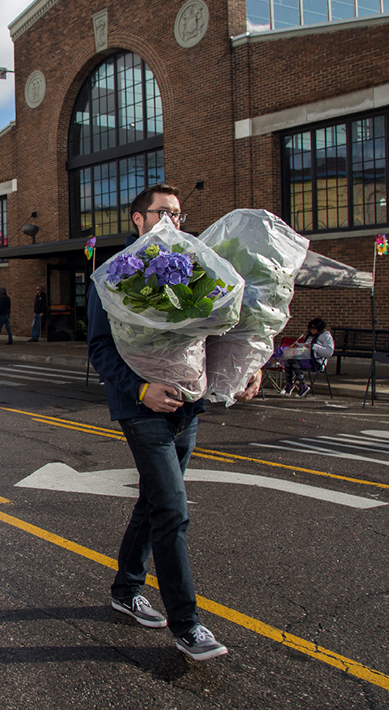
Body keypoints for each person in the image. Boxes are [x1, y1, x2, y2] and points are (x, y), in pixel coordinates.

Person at [87, 183, 261, 662]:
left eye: (180, 215)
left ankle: (125, 588)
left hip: (188, 405)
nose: (174, 221)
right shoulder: (113, 277)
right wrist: (143, 388)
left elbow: (219, 332)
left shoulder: (197, 266)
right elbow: (100, 350)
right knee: (172, 511)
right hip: (142, 408)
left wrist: (247, 369)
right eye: (164, 213)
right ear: (138, 219)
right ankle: (188, 625)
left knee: (152, 501)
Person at [284, 317, 335, 397]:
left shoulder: (326, 337)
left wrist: (313, 346)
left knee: (294, 360)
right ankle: (289, 384)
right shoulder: (310, 336)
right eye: (310, 328)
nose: (312, 330)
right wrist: (298, 347)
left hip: (316, 361)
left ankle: (303, 385)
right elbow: (305, 348)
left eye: (314, 328)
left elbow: (329, 352)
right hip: (306, 357)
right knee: (288, 357)